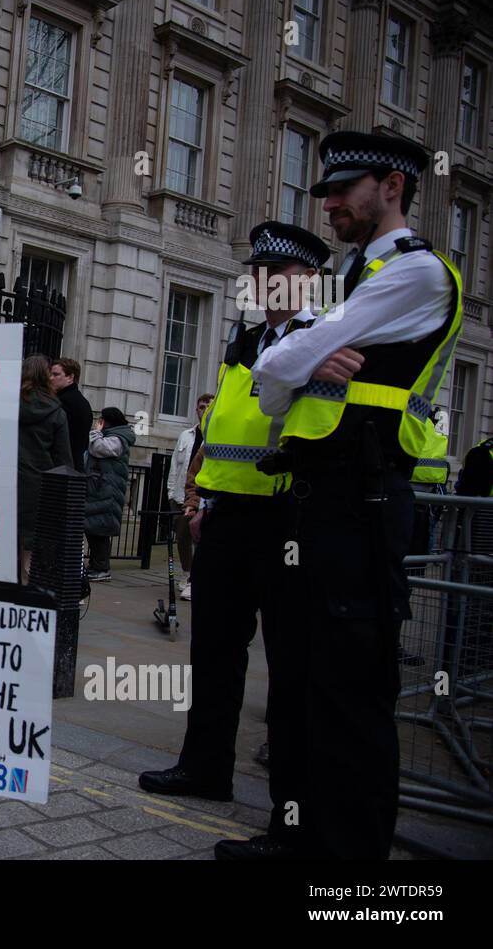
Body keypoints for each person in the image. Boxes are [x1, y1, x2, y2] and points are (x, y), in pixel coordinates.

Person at [249, 131, 464, 860]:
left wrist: (298, 361)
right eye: (327, 191)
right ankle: (296, 839)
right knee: (304, 680)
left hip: (363, 505)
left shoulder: (416, 274)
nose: (331, 203)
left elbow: (289, 359)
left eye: (345, 190)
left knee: (352, 692)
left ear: (393, 186)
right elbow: (271, 377)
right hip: (317, 499)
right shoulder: (354, 278)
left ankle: (350, 862)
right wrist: (299, 364)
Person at [140, 222, 329, 831]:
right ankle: (205, 768)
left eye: (282, 274)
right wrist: (201, 500)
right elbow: (221, 431)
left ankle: (291, 811)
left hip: (286, 518)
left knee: (290, 663)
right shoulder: (243, 340)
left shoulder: (324, 339)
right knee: (214, 652)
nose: (267, 283)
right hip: (225, 516)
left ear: (310, 281)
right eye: (260, 273)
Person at [18, 354, 74, 582]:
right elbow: (64, 461)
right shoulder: (57, 413)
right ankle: (30, 602)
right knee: (31, 551)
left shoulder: (5, 406)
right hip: (38, 488)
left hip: (3, 484)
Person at [166, 393, 213, 600]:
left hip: (204, 498)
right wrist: (170, 492)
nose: (203, 410)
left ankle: (197, 578)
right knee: (183, 535)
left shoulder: (214, 436)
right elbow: (176, 466)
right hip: (181, 494)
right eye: (201, 407)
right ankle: (188, 574)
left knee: (201, 537)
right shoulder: (186, 435)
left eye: (207, 406)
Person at [84, 407, 136, 581]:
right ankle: (96, 565)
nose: (99, 423)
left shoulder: (118, 439)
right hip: (100, 490)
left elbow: (98, 448)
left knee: (100, 530)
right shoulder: (115, 436)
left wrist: (96, 432)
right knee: (93, 529)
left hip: (107, 491)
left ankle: (102, 568)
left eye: (101, 420)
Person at [51, 358, 93, 468]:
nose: (50, 378)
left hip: (61, 468)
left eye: (56, 374)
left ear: (70, 377)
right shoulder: (83, 402)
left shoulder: (63, 402)